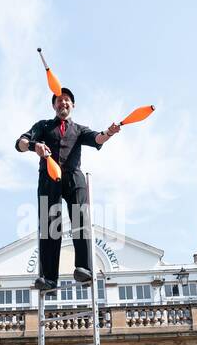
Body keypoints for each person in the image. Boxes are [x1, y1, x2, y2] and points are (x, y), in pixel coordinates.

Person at [15, 87, 121, 290]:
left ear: (72, 105)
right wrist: (33, 146)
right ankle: (49, 279)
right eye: (59, 100)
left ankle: (84, 269)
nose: (63, 103)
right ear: (53, 105)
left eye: (67, 100)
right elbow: (20, 143)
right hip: (49, 177)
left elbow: (97, 138)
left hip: (74, 178)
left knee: (81, 220)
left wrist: (109, 132)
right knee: (49, 226)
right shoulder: (43, 126)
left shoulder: (79, 129)